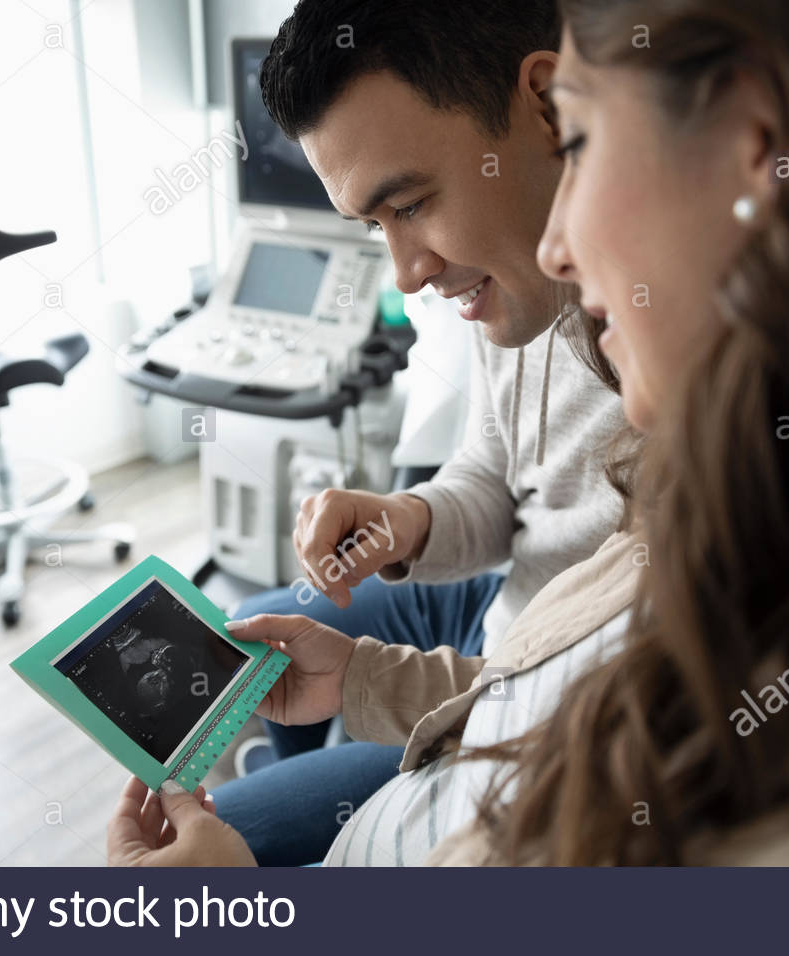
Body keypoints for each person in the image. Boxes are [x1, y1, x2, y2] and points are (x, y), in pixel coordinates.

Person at [108, 0, 789, 867]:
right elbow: (551, 665)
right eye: (376, 226)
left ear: (755, 143)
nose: (560, 248)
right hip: (495, 658)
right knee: (268, 635)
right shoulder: (711, 478)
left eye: (577, 140)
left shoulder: (689, 418)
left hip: (492, 674)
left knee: (240, 810)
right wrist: (397, 566)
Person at [203, 0, 628, 865]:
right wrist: (407, 520)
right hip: (508, 605)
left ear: (548, 106)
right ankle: (341, 762)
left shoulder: (665, 348)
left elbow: (575, 696)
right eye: (373, 225)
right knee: (257, 624)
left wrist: (367, 684)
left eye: (410, 203)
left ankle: (348, 770)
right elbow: (495, 476)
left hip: (536, 667)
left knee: (236, 834)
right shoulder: (511, 279)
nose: (407, 273)